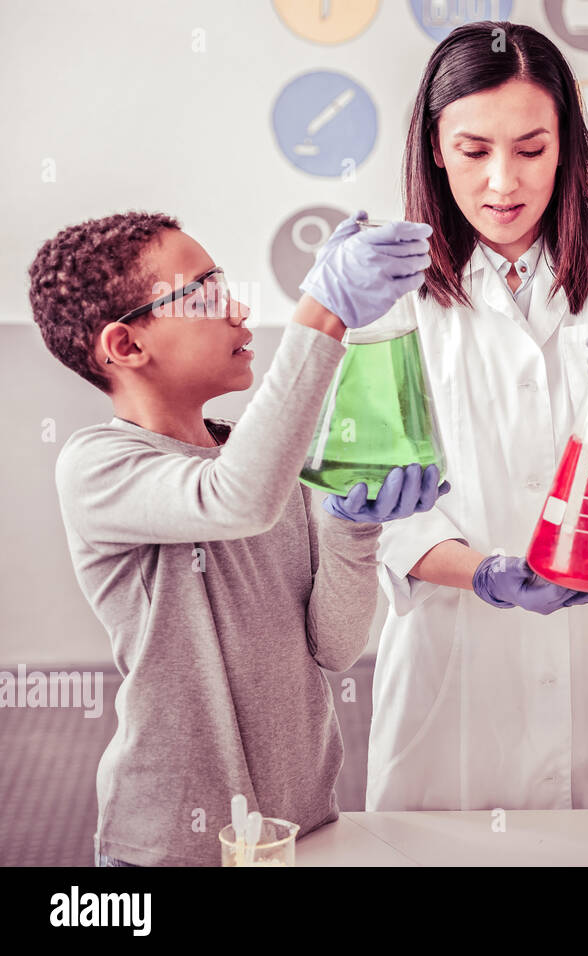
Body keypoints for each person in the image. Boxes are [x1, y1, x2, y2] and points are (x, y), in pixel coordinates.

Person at [367, 21, 588, 811]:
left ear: (566, 146)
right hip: (456, 654)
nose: (502, 182)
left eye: (531, 149)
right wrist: (489, 577)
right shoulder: (395, 296)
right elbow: (383, 504)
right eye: (473, 150)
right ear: (433, 147)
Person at [31, 209, 444, 865]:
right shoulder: (96, 466)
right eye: (206, 294)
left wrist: (351, 530)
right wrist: (324, 308)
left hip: (303, 829)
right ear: (127, 347)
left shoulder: (265, 465)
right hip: (169, 847)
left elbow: (335, 648)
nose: (240, 308)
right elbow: (236, 499)